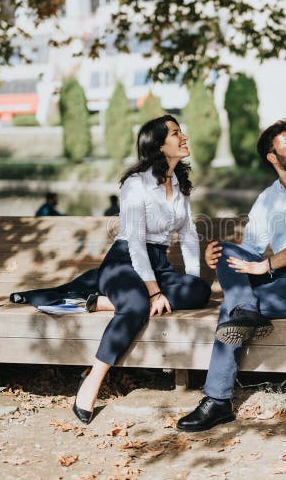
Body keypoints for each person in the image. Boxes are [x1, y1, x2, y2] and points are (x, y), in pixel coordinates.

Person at [177, 119, 286, 432]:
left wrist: (264, 266)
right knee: (226, 250)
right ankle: (245, 307)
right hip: (276, 281)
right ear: (272, 156)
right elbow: (250, 246)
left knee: (232, 308)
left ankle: (217, 401)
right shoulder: (269, 197)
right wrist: (216, 255)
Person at [68, 115, 211, 424]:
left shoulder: (179, 183)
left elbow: (187, 235)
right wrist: (156, 292)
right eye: (175, 133)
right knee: (134, 306)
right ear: (159, 146)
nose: (183, 136)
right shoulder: (136, 184)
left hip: (157, 264)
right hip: (124, 262)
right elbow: (134, 245)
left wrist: (191, 278)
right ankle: (94, 377)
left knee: (199, 291)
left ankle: (103, 302)